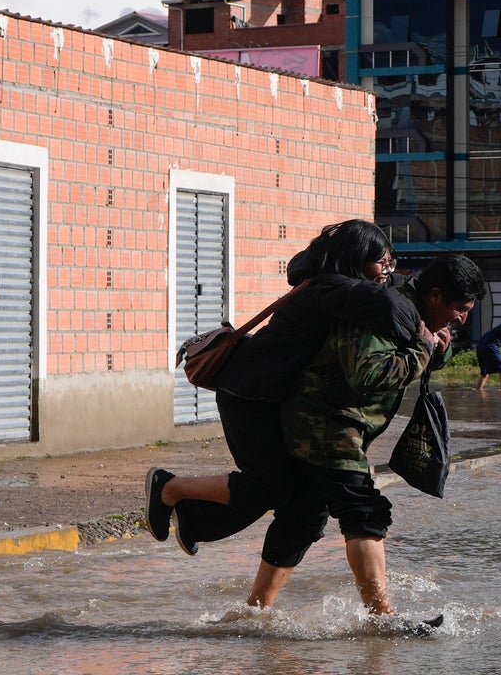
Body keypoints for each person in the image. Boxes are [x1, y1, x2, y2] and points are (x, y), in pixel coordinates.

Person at [145, 220, 419, 606]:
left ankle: (198, 524)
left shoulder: (330, 285)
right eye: (382, 263)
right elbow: (390, 307)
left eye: (390, 264)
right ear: (357, 259)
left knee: (297, 505)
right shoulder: (331, 289)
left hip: (266, 397)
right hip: (248, 397)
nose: (386, 273)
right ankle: (170, 487)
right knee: (270, 486)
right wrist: (423, 336)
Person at [271, 253, 485, 614]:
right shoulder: (384, 312)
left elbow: (414, 351)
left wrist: (436, 346)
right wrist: (422, 347)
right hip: (324, 423)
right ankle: (381, 617)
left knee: (302, 517)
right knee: (365, 511)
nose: (463, 318)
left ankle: (254, 610)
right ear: (434, 296)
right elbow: (367, 376)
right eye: (460, 309)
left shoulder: (409, 311)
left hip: (326, 422)